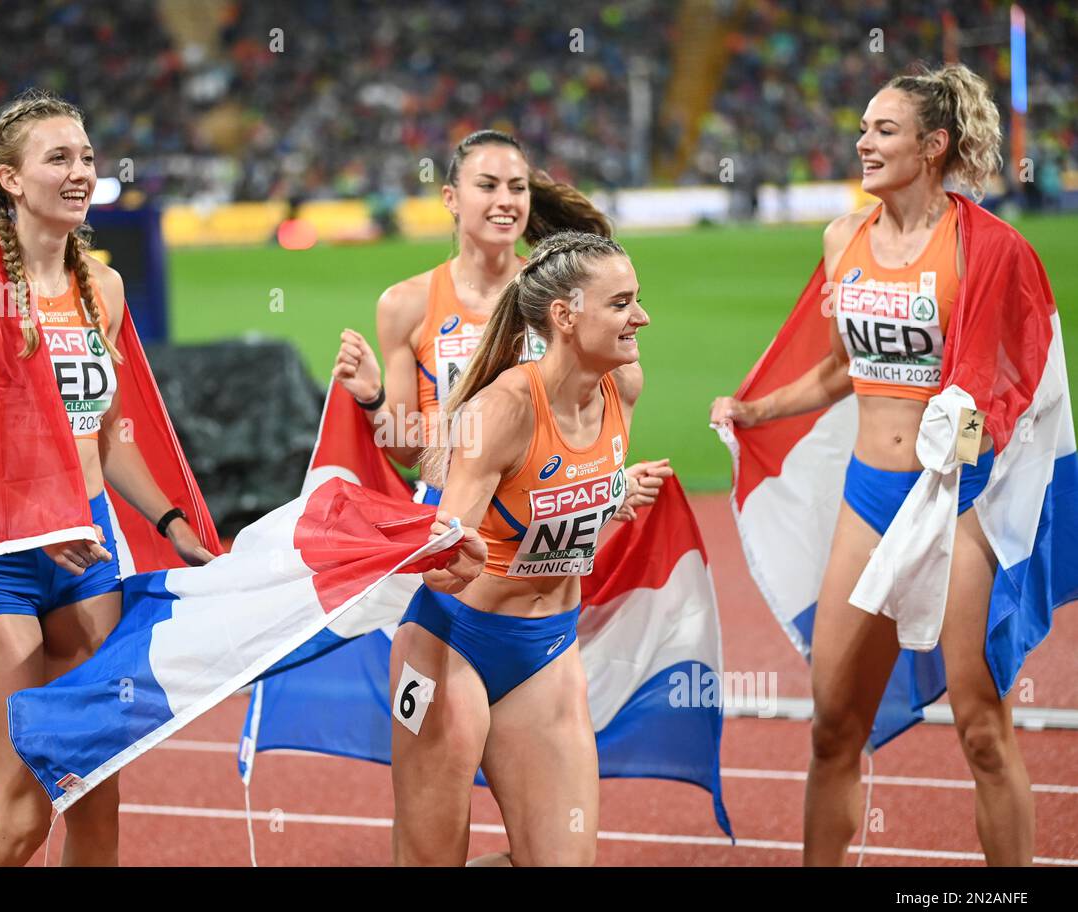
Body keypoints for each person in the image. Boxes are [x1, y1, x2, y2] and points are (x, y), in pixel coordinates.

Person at [710, 64, 1038, 865]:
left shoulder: (984, 247)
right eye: (862, 128)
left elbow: (1004, 384)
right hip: (868, 498)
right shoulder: (842, 239)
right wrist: (756, 410)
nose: (863, 142)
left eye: (883, 130)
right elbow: (837, 372)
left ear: (932, 147)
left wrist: (949, 469)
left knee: (981, 726)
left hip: (958, 500)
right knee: (832, 724)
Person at [0, 90, 214, 866]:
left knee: (97, 793)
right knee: (23, 811)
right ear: (10, 180)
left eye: (86, 156)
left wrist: (171, 525)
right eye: (58, 158)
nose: (80, 172)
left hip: (88, 552)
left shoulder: (106, 289)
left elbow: (110, 434)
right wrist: (37, 517)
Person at [391, 230, 669, 866]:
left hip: (547, 648)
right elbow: (446, 554)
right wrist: (448, 553)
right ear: (566, 316)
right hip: (452, 644)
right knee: (430, 860)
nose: (642, 317)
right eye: (622, 303)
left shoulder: (623, 386)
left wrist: (612, 496)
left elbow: (563, 515)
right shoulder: (504, 409)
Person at [331, 129, 612, 499]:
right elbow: (407, 449)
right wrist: (371, 396)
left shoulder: (562, 295)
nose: (505, 201)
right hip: (448, 521)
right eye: (487, 185)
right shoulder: (405, 304)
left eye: (517, 187)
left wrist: (614, 484)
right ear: (451, 198)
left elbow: (589, 419)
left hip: (542, 519)